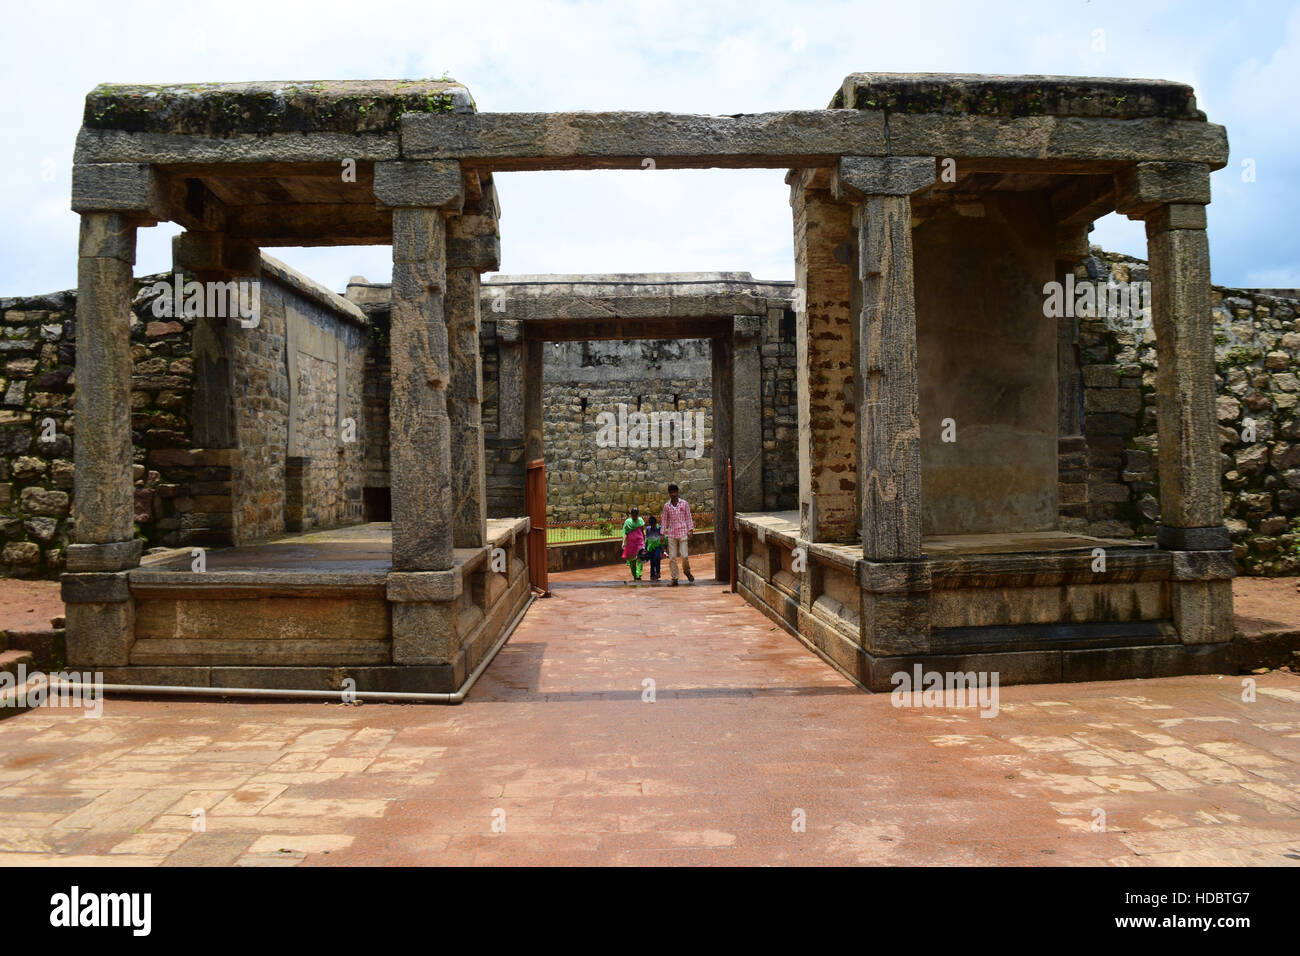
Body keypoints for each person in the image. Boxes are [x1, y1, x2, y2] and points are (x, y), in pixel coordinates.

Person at [660, 483, 694, 586]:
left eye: (674, 492)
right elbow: (664, 520)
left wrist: (691, 529)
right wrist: (662, 534)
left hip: (683, 532)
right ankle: (674, 578)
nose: (673, 494)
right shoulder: (667, 506)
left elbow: (688, 517)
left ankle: (687, 571)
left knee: (684, 556)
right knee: (672, 558)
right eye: (671, 492)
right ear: (669, 494)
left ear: (677, 492)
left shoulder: (684, 504)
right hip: (672, 534)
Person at [620, 506, 646, 582]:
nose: (635, 516)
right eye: (633, 514)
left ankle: (638, 574)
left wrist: (644, 540)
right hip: (631, 544)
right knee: (632, 560)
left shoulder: (640, 521)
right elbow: (626, 533)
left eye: (636, 514)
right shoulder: (628, 522)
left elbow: (642, 531)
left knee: (641, 557)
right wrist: (623, 542)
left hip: (639, 542)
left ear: (638, 514)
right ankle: (634, 575)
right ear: (631, 515)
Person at [643, 515, 664, 581]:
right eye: (651, 525)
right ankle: (652, 574)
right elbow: (646, 538)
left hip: (657, 546)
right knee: (652, 560)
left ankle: (657, 572)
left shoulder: (660, 528)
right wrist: (645, 548)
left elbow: (662, 537)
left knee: (657, 558)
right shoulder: (648, 529)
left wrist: (663, 549)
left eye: (653, 525)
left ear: (655, 523)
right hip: (650, 547)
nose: (653, 526)